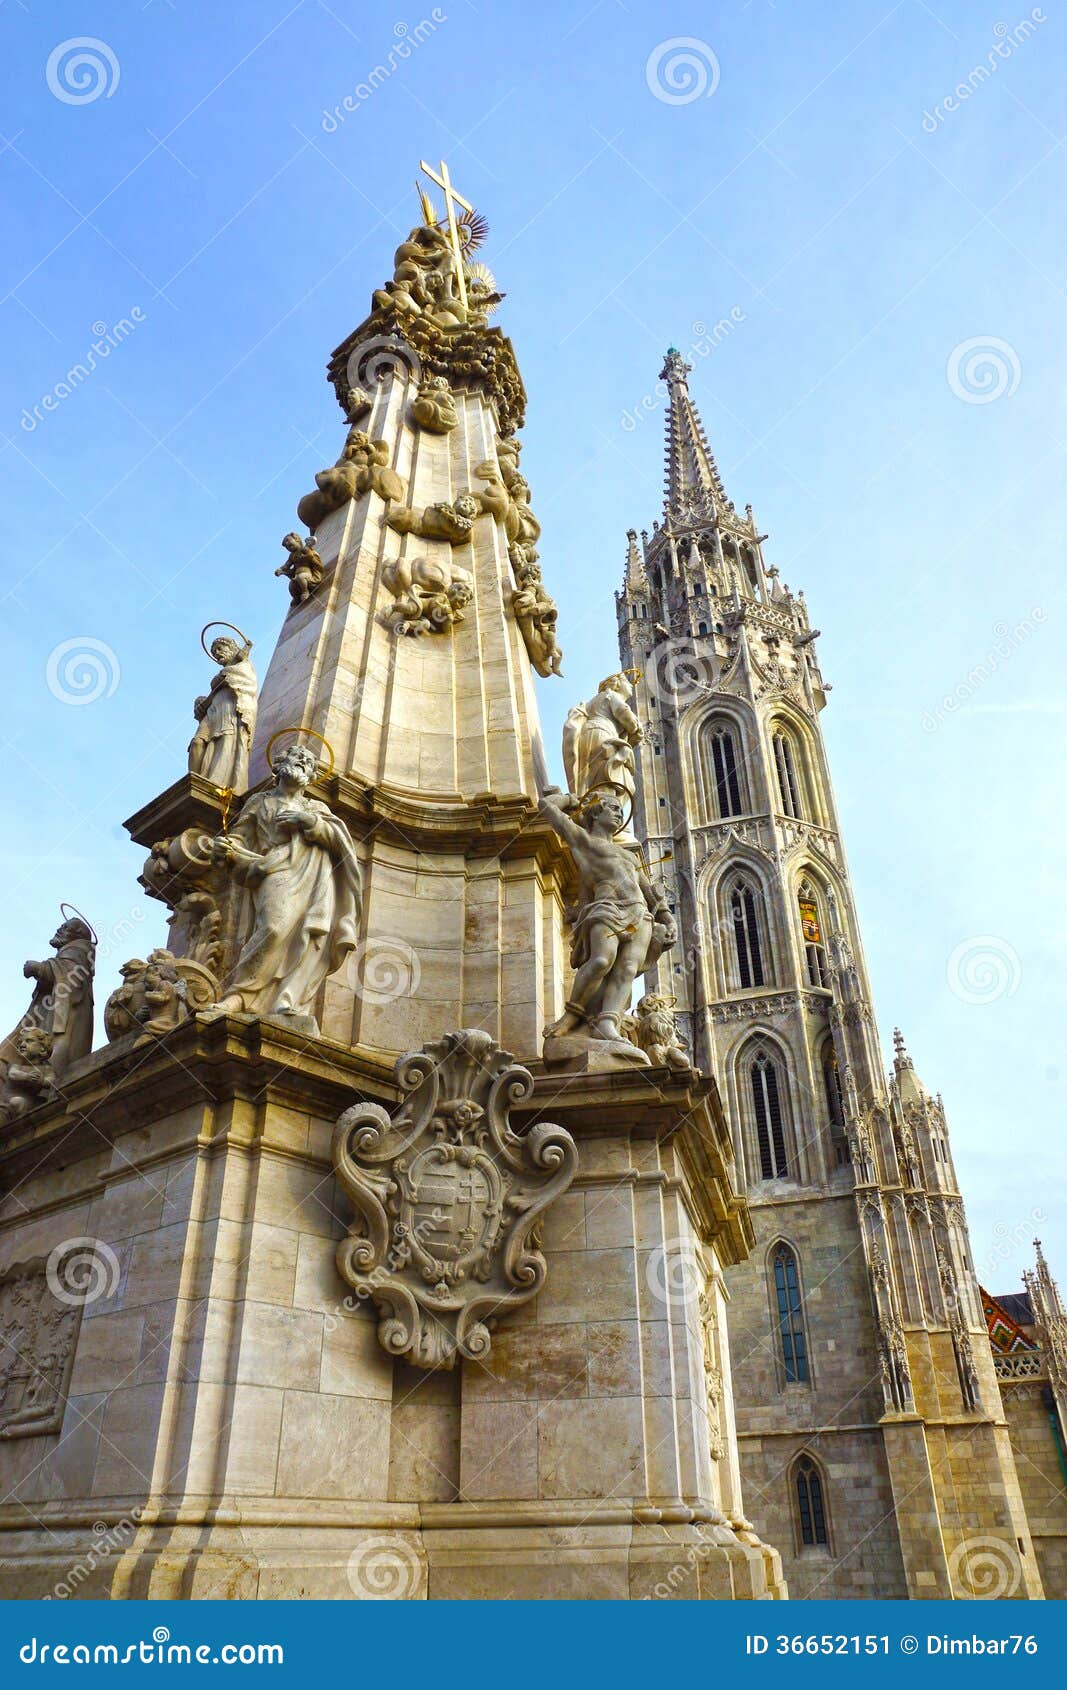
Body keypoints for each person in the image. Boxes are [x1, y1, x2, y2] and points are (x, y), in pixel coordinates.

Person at [211, 744, 361, 1025]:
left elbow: (340, 843)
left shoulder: (315, 807)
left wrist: (310, 822)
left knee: (310, 936)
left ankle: (287, 999)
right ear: (280, 764)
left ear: (313, 775)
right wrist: (227, 846)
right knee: (273, 928)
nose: (303, 761)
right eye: (297, 757)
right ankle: (242, 996)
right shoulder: (259, 802)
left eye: (308, 762)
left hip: (314, 876)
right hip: (274, 868)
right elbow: (240, 838)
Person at [539, 788, 675, 1055]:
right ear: (594, 813)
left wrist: (669, 921)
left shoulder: (630, 856)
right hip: (606, 909)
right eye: (612, 808)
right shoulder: (583, 840)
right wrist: (569, 800)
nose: (619, 813)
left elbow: (651, 895)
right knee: (602, 960)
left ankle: (607, 1023)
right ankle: (571, 1017)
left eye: (620, 810)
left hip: (640, 915)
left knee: (626, 970)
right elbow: (547, 807)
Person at [188, 634, 258, 792]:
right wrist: (201, 703)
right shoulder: (228, 670)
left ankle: (218, 782)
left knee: (226, 744)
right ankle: (195, 781)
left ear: (233, 648)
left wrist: (213, 692)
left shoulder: (244, 666)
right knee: (197, 743)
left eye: (220, 648)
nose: (217, 653)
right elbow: (219, 683)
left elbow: (233, 680)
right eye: (214, 652)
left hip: (230, 710)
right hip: (213, 712)